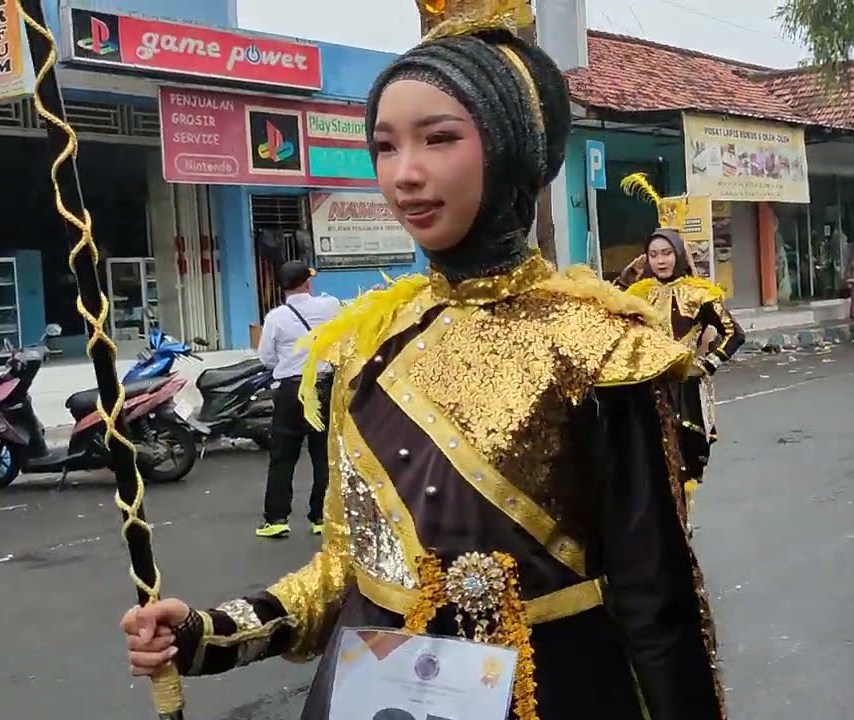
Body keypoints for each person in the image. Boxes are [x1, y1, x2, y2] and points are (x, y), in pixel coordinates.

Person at [119, 3, 727, 719]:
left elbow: (660, 607)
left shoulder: (602, 349)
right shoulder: (366, 345)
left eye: (439, 139)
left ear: (511, 151)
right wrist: (207, 635)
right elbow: (349, 571)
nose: (405, 174)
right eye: (384, 146)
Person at [615, 173, 745, 516]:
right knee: (650, 464)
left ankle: (682, 525)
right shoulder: (639, 293)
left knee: (685, 464)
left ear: (678, 255)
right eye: (653, 254)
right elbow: (608, 309)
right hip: (647, 387)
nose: (660, 260)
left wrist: (705, 365)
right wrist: (628, 275)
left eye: (666, 253)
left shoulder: (700, 293)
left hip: (686, 391)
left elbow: (735, 333)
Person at [255, 260, 341, 539]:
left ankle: (277, 519)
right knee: (323, 456)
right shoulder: (330, 307)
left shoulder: (275, 317)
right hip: (323, 387)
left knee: (282, 457)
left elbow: (266, 359)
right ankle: (321, 517)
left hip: (290, 390)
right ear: (307, 283)